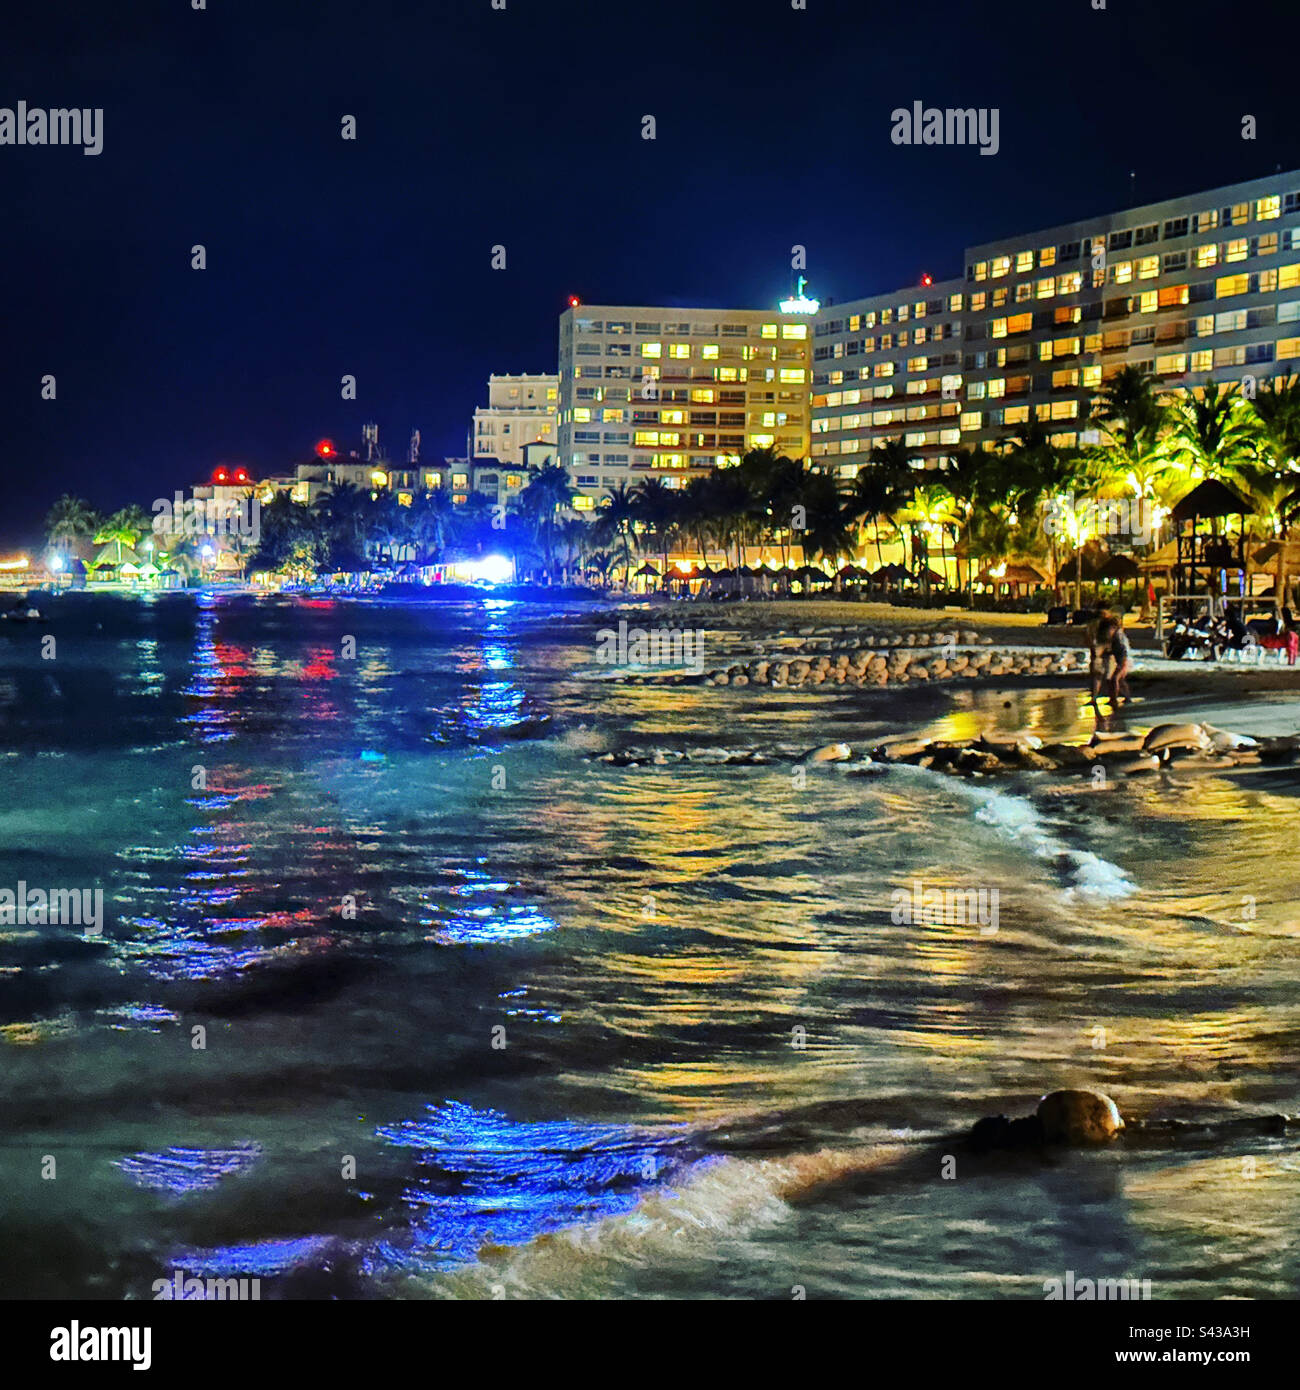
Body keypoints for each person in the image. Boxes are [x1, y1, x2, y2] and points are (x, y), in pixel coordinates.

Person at [1097, 616, 1132, 704]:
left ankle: (1113, 699)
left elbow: (1123, 650)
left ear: (1113, 628)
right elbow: (1116, 650)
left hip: (1125, 660)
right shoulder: (1115, 637)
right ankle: (1127, 697)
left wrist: (1123, 663)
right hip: (1122, 660)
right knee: (1120, 680)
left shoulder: (1119, 636)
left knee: (1115, 679)